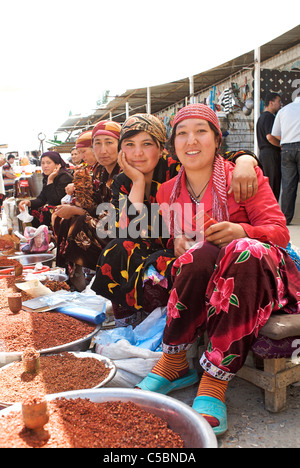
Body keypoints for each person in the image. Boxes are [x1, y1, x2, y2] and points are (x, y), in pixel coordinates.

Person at [136, 103, 300, 437]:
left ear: (216, 138)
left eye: (200, 131)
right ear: (174, 144)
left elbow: (280, 232)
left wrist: (243, 231)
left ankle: (214, 381)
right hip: (209, 277)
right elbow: (174, 236)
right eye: (182, 133)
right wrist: (179, 241)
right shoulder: (168, 191)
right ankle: (176, 360)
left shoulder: (242, 175)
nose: (190, 140)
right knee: (196, 254)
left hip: (260, 274)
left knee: (242, 251)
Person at [91, 113, 259, 327]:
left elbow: (228, 156)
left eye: (147, 144)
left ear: (161, 147)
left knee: (161, 266)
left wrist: (245, 162)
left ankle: (166, 320)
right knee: (115, 250)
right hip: (147, 249)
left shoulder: (178, 166)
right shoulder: (124, 181)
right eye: (129, 145)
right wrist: (138, 181)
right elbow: (127, 230)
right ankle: (130, 321)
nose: (137, 153)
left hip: (186, 247)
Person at [53, 122, 121, 291]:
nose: (103, 150)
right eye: (97, 143)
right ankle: (72, 278)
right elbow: (96, 204)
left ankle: (81, 280)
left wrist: (78, 210)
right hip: (109, 224)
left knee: (78, 223)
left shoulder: (124, 172)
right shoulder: (104, 172)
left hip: (124, 230)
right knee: (66, 220)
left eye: (109, 142)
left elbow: (112, 214)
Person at [18, 151, 73, 228]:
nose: (45, 166)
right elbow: (42, 198)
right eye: (43, 163)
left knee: (46, 210)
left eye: (48, 163)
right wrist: (28, 202)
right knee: (32, 209)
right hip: (55, 208)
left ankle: (46, 236)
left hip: (66, 210)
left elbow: (55, 201)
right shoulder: (47, 177)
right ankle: (38, 235)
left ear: (57, 165)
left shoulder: (64, 177)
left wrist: (50, 180)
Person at [271, 91, 300, 224]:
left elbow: (275, 134)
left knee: (288, 186)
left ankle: (286, 219)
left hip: (287, 148)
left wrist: (287, 140)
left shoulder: (284, 110)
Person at [256, 92, 282, 200]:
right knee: (273, 184)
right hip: (270, 154)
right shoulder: (269, 117)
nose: (280, 104)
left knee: (267, 184)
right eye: (278, 101)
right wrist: (280, 146)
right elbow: (270, 137)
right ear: (271, 103)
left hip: (264, 154)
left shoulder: (261, 117)